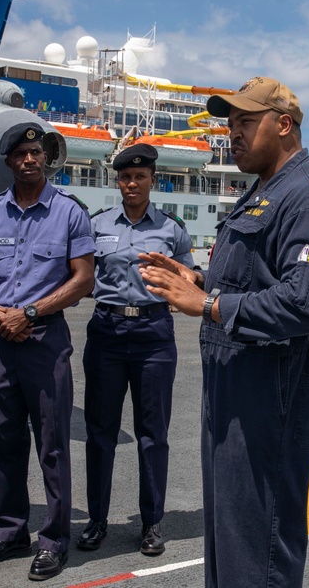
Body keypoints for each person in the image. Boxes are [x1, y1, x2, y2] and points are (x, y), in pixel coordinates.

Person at [140, 77, 309, 587]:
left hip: (274, 395)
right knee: (232, 539)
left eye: (244, 123)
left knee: (260, 545)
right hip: (239, 392)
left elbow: (307, 301)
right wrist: (198, 279)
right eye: (228, 124)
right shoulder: (265, 190)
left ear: (284, 125)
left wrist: (209, 303)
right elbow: (258, 276)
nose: (230, 135)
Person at [0, 122, 94, 581]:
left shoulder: (68, 212)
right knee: (1, 437)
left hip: (44, 340)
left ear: (45, 157)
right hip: (0, 338)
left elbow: (83, 278)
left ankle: (54, 540)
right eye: (20, 153)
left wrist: (30, 313)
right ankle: (8, 529)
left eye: (36, 151)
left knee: (52, 444)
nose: (29, 159)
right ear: (9, 161)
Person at [77, 144, 197, 557]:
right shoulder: (97, 225)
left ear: (152, 180)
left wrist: (186, 276)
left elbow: (190, 275)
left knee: (152, 435)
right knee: (100, 433)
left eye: (140, 177)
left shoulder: (171, 228)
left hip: (154, 333)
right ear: (118, 181)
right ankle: (96, 521)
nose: (132, 183)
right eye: (126, 177)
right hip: (107, 331)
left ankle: (151, 523)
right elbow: (81, 274)